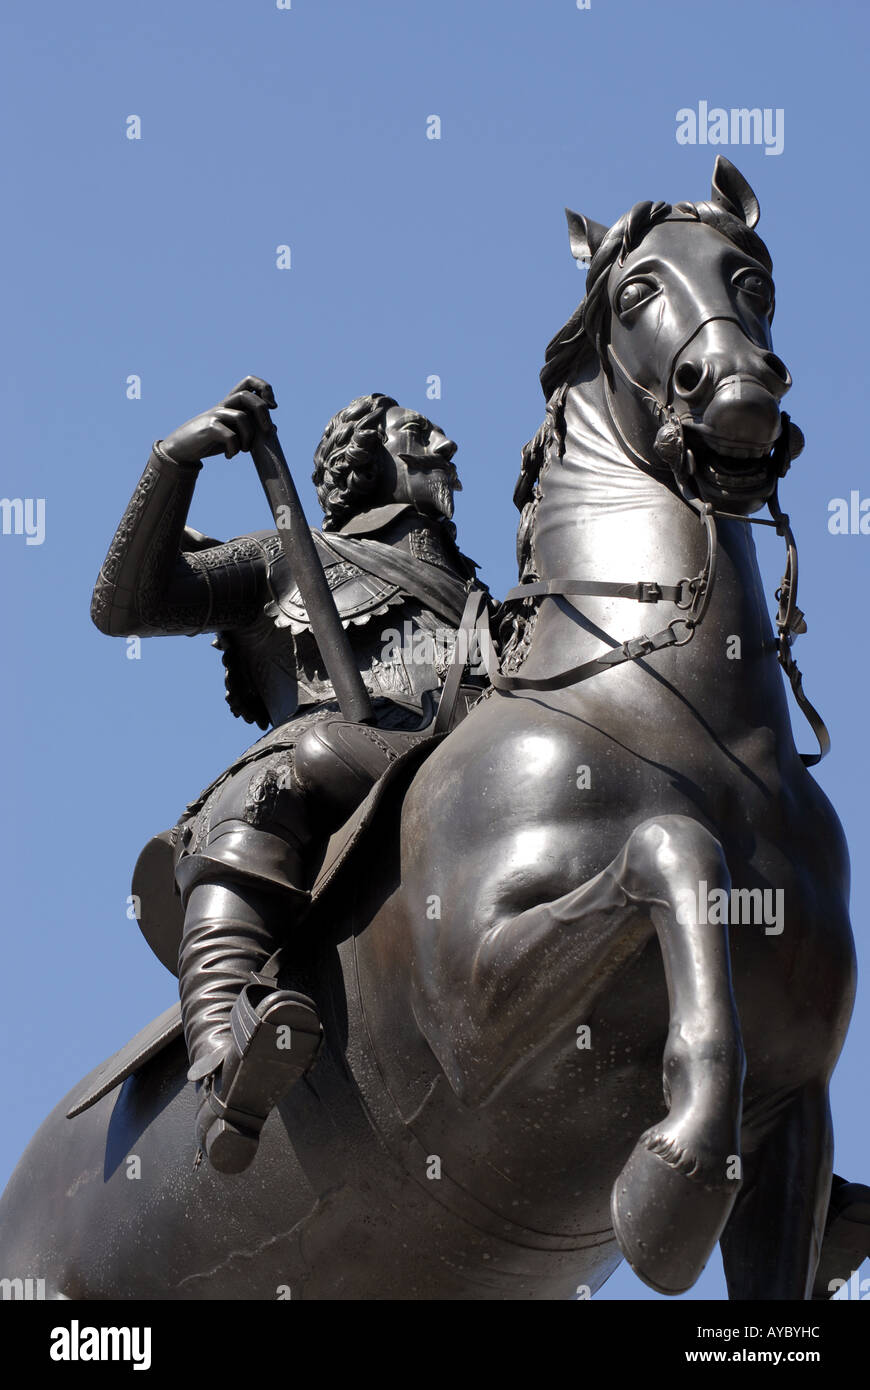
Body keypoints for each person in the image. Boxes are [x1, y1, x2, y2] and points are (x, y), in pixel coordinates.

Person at [91, 377, 486, 1172]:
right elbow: (124, 606)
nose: (446, 449)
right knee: (279, 776)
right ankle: (227, 1050)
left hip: (466, 780)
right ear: (365, 464)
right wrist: (175, 461)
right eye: (419, 435)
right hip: (334, 773)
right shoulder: (289, 556)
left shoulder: (496, 612)